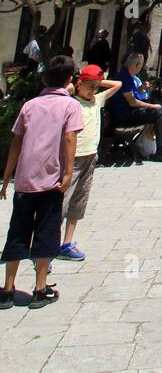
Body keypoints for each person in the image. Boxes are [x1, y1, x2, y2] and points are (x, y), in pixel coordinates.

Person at [1, 56, 83, 310]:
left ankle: (7, 289)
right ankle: (39, 288)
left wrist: (7, 175)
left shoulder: (30, 105)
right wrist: (68, 173)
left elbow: (17, 141)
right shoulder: (70, 106)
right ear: (70, 80)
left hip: (25, 179)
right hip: (52, 178)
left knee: (18, 230)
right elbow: (69, 138)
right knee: (46, 231)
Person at [57, 65, 122, 261]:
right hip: (72, 158)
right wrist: (75, 86)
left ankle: (67, 243)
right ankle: (47, 244)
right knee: (62, 202)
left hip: (91, 156)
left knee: (79, 201)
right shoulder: (71, 102)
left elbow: (118, 84)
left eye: (96, 87)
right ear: (80, 83)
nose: (93, 91)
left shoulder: (97, 100)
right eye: (90, 86)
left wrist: (97, 82)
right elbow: (64, 92)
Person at [110, 52, 162, 162]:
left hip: (132, 110)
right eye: (141, 64)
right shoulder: (124, 77)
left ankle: (160, 141)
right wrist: (152, 106)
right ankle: (160, 152)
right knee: (160, 112)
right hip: (125, 115)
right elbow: (132, 102)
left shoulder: (129, 76)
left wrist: (142, 89)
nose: (142, 67)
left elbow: (134, 95)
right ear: (135, 65)